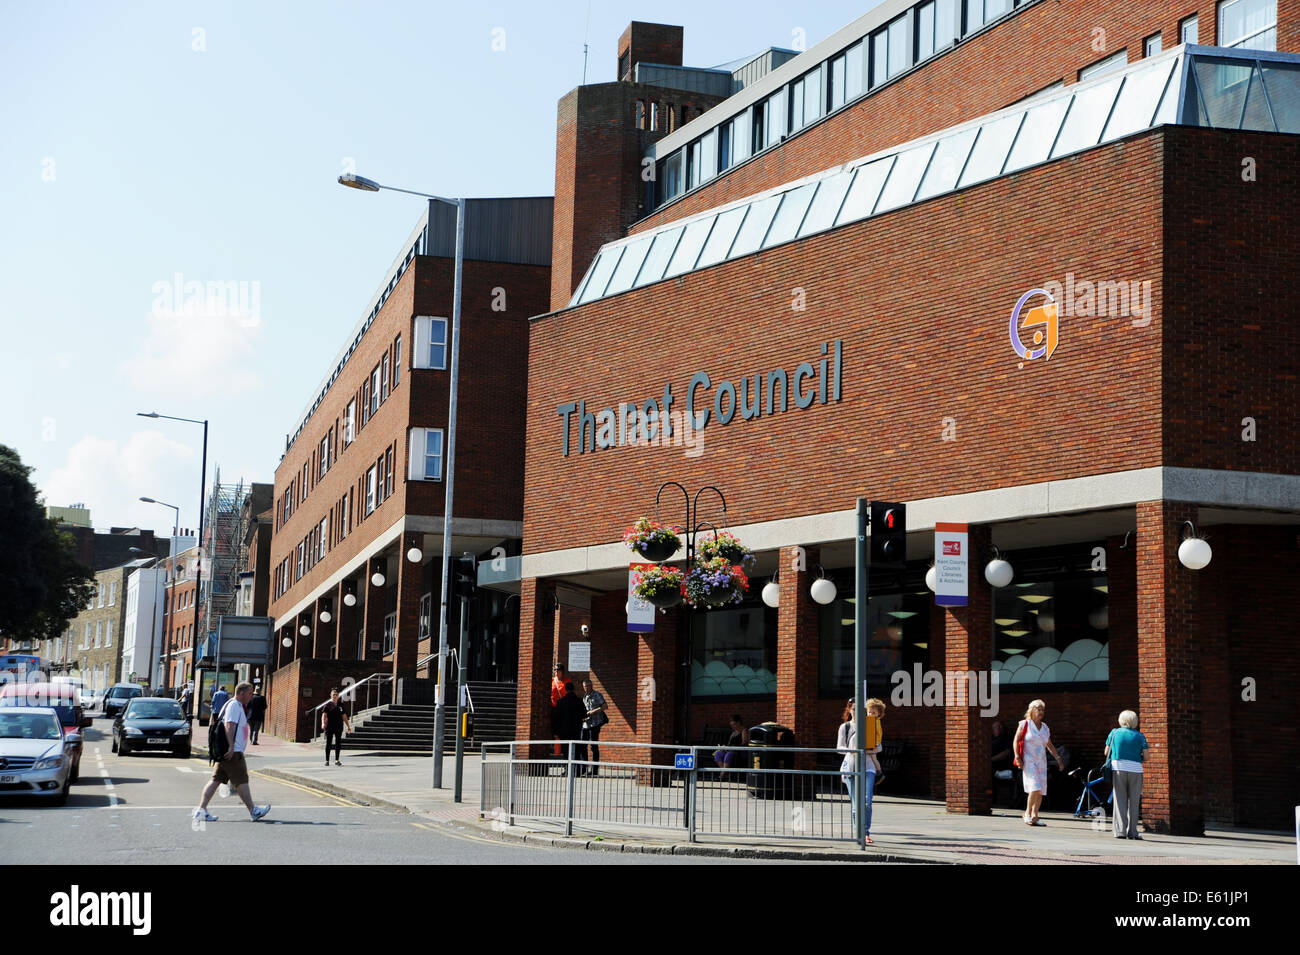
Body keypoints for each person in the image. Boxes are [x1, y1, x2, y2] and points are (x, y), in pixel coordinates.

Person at [192, 682, 270, 822]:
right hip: (233, 752)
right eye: (250, 693)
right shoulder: (234, 705)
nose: (251, 696)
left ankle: (201, 810)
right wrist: (231, 747)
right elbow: (229, 725)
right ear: (242, 693)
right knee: (241, 780)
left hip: (231, 750)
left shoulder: (235, 705)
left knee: (215, 780)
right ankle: (253, 810)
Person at [1013, 699, 1065, 826]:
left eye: (1042, 710)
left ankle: (1035, 816)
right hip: (1029, 761)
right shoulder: (1025, 724)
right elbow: (1016, 740)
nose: (1041, 712)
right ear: (1032, 710)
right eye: (1038, 709)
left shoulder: (1045, 727)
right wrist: (1017, 756)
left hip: (1041, 762)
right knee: (1034, 787)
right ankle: (1027, 813)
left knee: (1040, 790)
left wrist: (1058, 759)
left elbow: (1049, 745)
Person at [836, 699, 876, 844]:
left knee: (867, 802)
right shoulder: (845, 727)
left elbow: (879, 746)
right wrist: (852, 751)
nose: (856, 711)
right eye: (854, 708)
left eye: (860, 709)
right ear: (849, 710)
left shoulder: (869, 724)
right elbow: (839, 748)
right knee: (855, 804)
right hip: (850, 767)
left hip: (868, 766)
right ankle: (858, 832)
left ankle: (865, 832)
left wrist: (871, 749)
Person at [1104, 709, 1149, 840]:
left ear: (1121, 720)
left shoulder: (1114, 733)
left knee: (1120, 800)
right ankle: (1133, 832)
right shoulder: (1140, 736)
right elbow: (1146, 757)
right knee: (1134, 801)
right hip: (1136, 770)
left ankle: (1120, 831)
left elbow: (1106, 752)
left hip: (1118, 768)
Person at [554, 682, 587, 767]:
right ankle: (576, 770)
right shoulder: (579, 701)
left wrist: (556, 731)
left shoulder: (561, 702)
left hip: (564, 731)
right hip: (576, 730)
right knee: (576, 751)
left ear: (566, 690)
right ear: (573, 689)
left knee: (565, 751)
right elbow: (584, 714)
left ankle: (567, 769)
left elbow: (556, 717)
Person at [579, 679, 607, 775]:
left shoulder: (597, 695)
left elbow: (605, 706)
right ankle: (584, 768)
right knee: (582, 745)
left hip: (595, 724)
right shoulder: (584, 696)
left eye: (587, 686)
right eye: (584, 686)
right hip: (586, 724)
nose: (586, 688)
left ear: (591, 686)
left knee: (593, 746)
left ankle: (594, 770)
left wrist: (592, 712)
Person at [320, 688, 352, 766]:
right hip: (329, 726)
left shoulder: (341, 705)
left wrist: (348, 726)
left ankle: (337, 760)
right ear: (331, 695)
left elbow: (344, 716)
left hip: (338, 726)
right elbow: (324, 715)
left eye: (336, 695)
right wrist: (323, 723)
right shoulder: (328, 705)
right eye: (333, 695)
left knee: (338, 743)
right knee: (328, 743)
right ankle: (327, 760)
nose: (335, 696)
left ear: (338, 696)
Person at [865, 697, 886, 783]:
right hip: (871, 743)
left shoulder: (876, 721)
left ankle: (879, 773)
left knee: (874, 758)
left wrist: (875, 744)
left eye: (873, 712)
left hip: (874, 743)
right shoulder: (870, 720)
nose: (871, 714)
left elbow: (878, 734)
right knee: (872, 758)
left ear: (879, 713)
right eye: (869, 712)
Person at [550, 663, 567, 757]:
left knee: (561, 731)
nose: (556, 671)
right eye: (555, 670)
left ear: (562, 671)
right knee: (555, 731)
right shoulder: (552, 681)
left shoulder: (567, 681)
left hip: (563, 710)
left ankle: (559, 752)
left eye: (558, 670)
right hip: (553, 709)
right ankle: (556, 752)